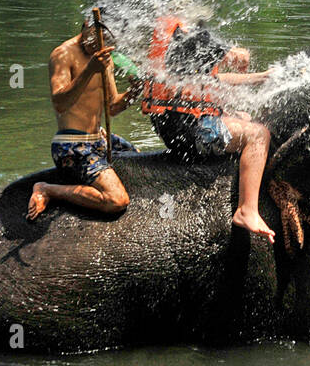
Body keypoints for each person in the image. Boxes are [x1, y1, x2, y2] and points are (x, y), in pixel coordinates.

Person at [139, 16, 276, 243]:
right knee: (258, 135)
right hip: (190, 133)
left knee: (243, 117)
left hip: (173, 126)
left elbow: (214, 79)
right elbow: (239, 57)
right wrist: (241, 60)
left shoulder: (173, 37)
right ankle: (247, 210)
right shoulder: (190, 38)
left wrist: (260, 77)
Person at [27, 17, 142, 221]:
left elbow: (113, 107)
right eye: (98, 37)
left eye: (107, 40)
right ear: (88, 23)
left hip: (99, 138)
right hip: (71, 144)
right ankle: (48, 189)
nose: (101, 44)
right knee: (117, 200)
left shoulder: (105, 57)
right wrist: (90, 70)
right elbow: (59, 102)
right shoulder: (63, 54)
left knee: (140, 160)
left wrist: (136, 91)